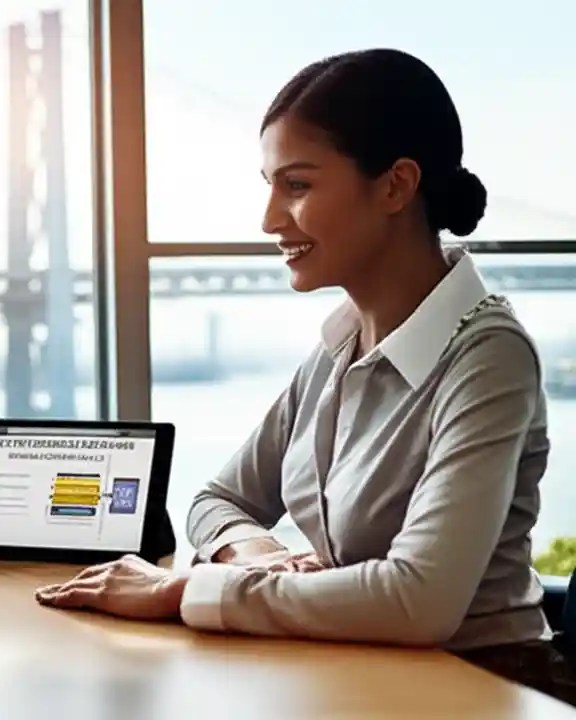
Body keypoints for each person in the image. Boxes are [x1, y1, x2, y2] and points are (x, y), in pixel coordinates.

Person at [35, 48, 575, 703]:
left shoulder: (488, 357)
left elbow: (420, 601)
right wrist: (265, 561)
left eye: (296, 186)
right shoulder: (339, 346)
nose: (268, 219)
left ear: (396, 186)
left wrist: (187, 590)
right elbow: (218, 501)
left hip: (481, 687)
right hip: (352, 673)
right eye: (270, 185)